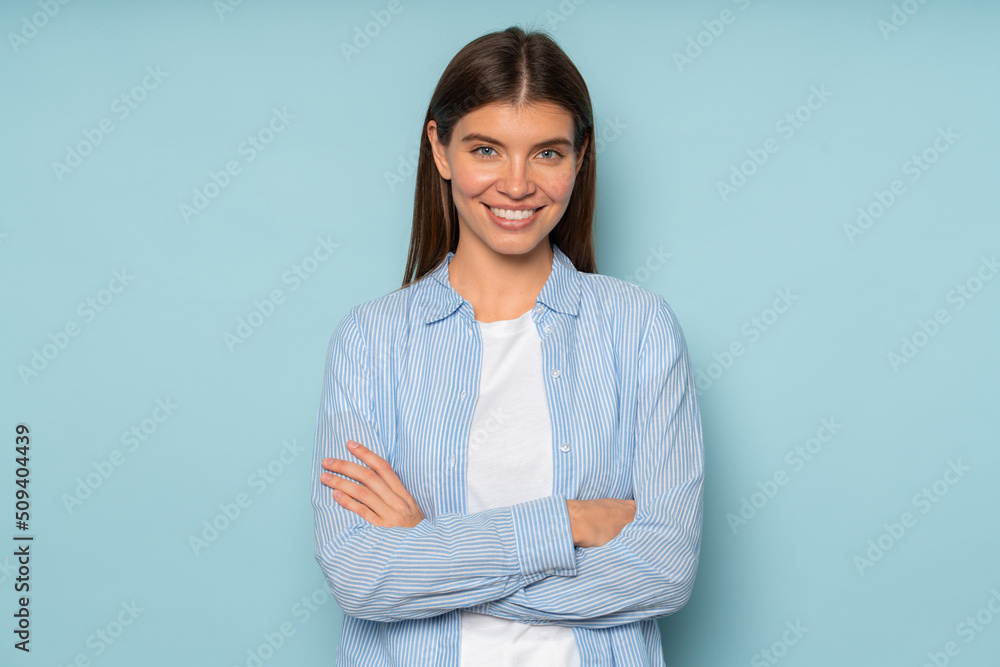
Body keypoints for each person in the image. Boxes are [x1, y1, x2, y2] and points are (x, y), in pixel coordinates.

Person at [310, 25, 704, 666]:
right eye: (487, 150)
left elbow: (663, 571)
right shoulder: (370, 342)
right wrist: (563, 525)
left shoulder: (639, 330)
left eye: (547, 153)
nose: (517, 185)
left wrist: (429, 547)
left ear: (580, 157)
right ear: (439, 149)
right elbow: (361, 577)